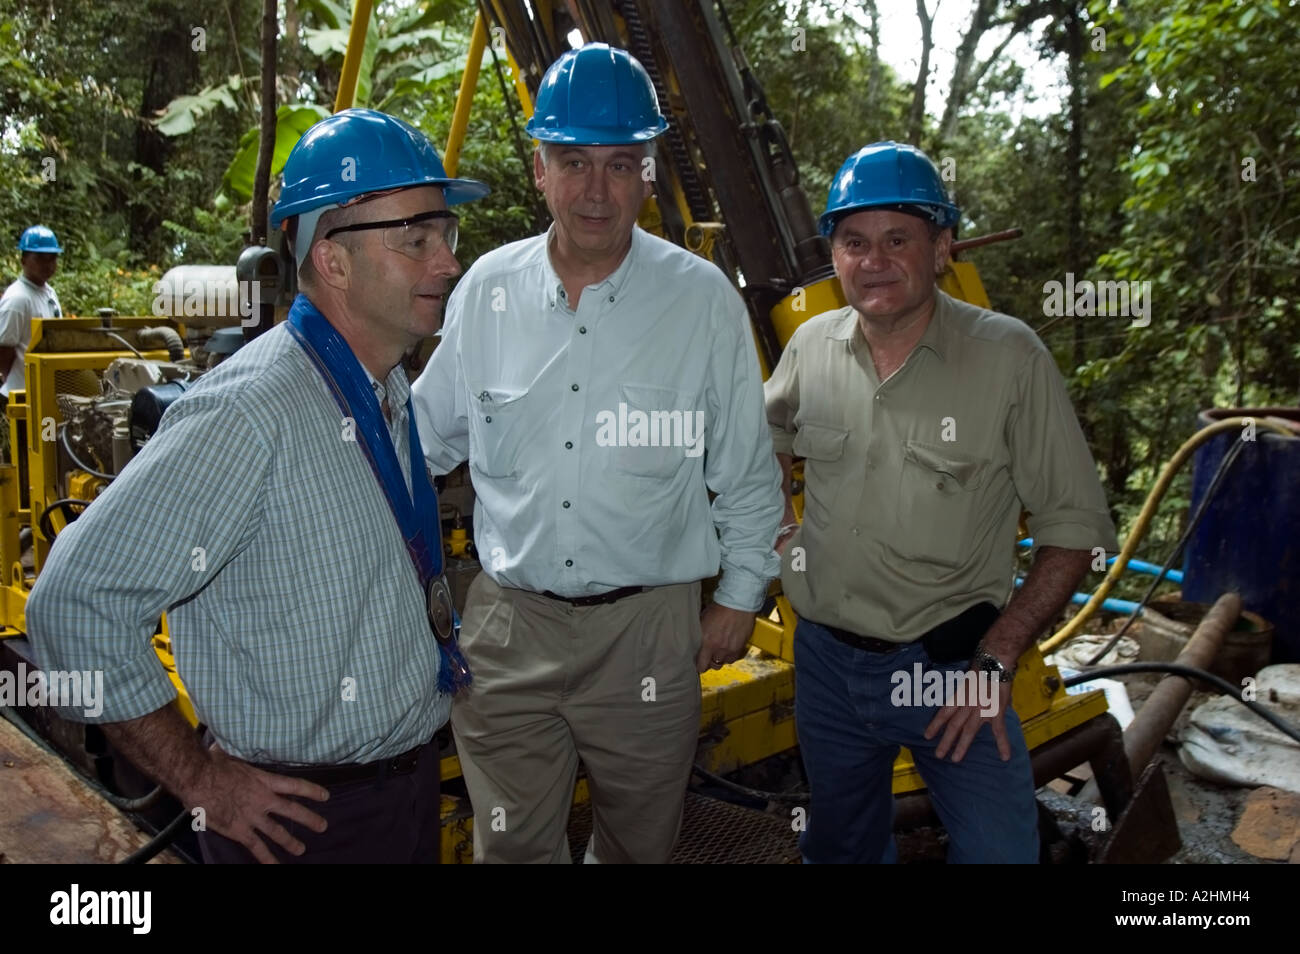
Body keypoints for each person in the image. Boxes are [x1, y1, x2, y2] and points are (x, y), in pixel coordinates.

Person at [27, 108, 488, 864]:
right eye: (416, 239)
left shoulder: (385, 390)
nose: (447, 263)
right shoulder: (249, 412)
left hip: (401, 795)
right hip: (301, 825)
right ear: (332, 260)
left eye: (447, 235)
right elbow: (73, 603)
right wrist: (201, 779)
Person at [411, 43, 784, 864]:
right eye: (572, 161)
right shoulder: (487, 292)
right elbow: (424, 440)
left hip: (648, 633)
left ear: (649, 175)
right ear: (540, 169)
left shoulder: (701, 303)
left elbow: (747, 475)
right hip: (510, 624)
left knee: (638, 846)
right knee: (509, 850)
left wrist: (740, 596)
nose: (594, 190)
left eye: (620, 165)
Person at [765, 141, 1118, 864]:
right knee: (841, 851)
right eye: (855, 241)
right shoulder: (810, 347)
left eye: (899, 239)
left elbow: (1074, 533)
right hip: (826, 664)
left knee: (1000, 855)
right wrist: (779, 527)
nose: (875, 260)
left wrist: (996, 660)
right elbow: (766, 435)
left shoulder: (1009, 359)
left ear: (942, 247)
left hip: (948, 667)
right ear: (834, 255)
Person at [0, 225, 63, 403]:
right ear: (24, 260)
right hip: (22, 394)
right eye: (40, 258)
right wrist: (14, 381)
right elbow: (4, 349)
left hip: (44, 391)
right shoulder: (17, 299)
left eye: (52, 258)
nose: (48, 264)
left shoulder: (48, 291)